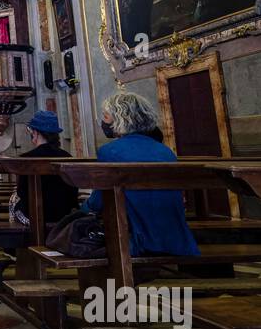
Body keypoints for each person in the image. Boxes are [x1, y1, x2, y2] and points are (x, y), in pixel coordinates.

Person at [83, 92, 199, 257]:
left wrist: (82, 208)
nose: (103, 122)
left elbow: (100, 200)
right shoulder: (165, 151)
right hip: (174, 236)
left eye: (106, 116)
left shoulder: (110, 151)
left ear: (121, 118)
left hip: (137, 237)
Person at [10, 110, 79, 229]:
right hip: (63, 215)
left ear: (35, 133)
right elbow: (73, 191)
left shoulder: (26, 159)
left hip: (33, 215)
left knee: (13, 203)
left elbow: (22, 192)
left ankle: (17, 244)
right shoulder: (68, 157)